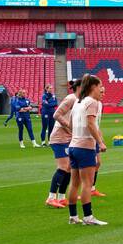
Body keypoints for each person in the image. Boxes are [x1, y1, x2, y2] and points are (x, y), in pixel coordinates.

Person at [67, 75, 108, 226]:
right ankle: (88, 216)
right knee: (87, 183)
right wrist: (100, 142)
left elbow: (70, 124)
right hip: (85, 147)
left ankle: (73, 216)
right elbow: (91, 124)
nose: (101, 89)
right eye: (99, 86)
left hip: (73, 145)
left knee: (75, 182)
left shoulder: (78, 102)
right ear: (92, 87)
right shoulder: (92, 102)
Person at [44, 80, 79, 209]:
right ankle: (51, 198)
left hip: (68, 137)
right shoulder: (71, 98)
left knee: (69, 167)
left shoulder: (80, 99)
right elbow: (56, 114)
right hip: (59, 138)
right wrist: (68, 126)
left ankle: (62, 197)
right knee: (63, 167)